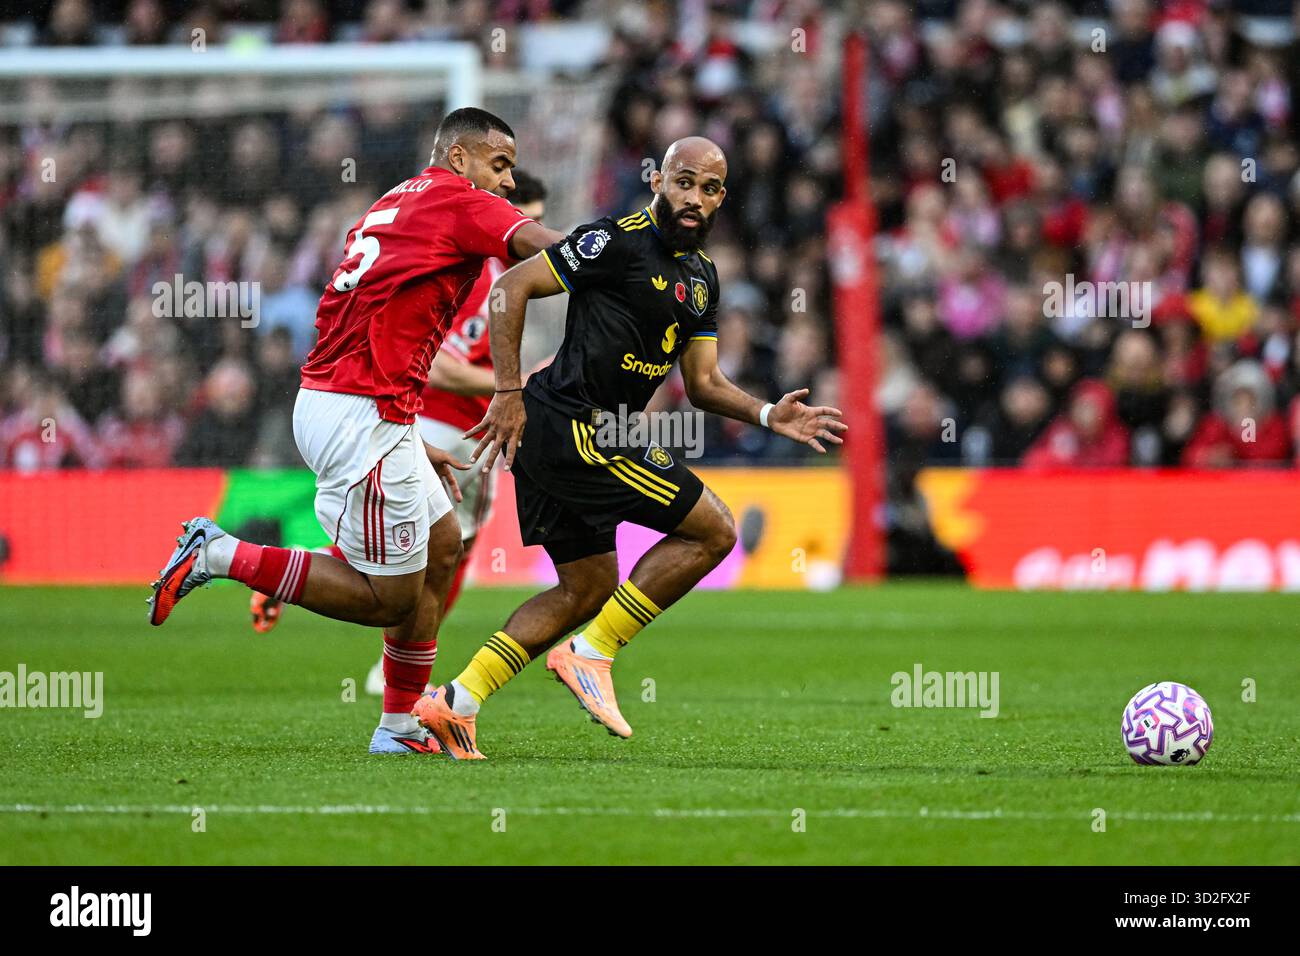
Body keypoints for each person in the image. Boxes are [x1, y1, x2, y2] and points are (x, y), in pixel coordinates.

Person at [146, 108, 565, 756]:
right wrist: (630, 255)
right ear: (460, 159)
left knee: (443, 546)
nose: (507, 183)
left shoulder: (397, 200)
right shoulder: (458, 199)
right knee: (388, 598)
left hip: (362, 406)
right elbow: (548, 248)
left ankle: (398, 729)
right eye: (500, 165)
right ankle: (219, 554)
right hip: (357, 412)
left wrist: (407, 440)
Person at [412, 136, 847, 759]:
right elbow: (509, 287)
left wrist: (767, 414)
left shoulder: (702, 278)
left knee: (583, 590)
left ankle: (456, 702)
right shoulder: (614, 240)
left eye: (710, 188)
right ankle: (592, 654)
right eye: (684, 182)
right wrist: (508, 390)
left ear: (723, 198)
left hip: (577, 432)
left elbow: (702, 384)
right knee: (716, 532)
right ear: (659, 182)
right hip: (575, 426)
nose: (694, 198)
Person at [248, 172, 551, 702]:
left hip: (414, 420)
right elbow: (441, 367)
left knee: (426, 546)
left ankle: (388, 678)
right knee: (439, 551)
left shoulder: (472, 268)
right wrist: (521, 384)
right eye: (527, 215)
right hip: (447, 427)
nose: (532, 228)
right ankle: (394, 674)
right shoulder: (484, 279)